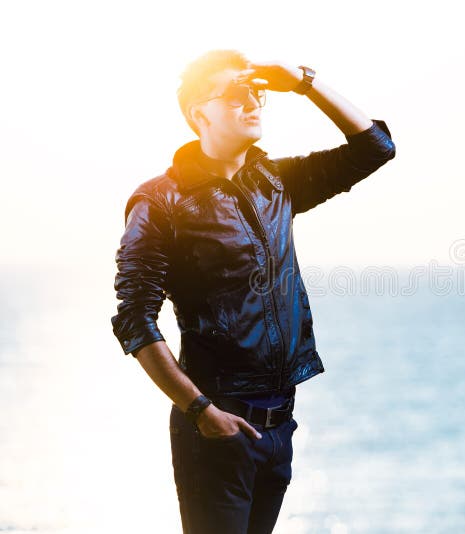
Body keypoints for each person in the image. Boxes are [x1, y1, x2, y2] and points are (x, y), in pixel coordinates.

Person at [110, 49, 396, 533]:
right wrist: (201, 411)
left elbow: (376, 146)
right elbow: (135, 319)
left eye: (258, 92)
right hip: (217, 426)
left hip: (279, 423)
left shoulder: (276, 183)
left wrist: (304, 83)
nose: (253, 102)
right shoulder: (161, 201)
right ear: (200, 113)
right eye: (236, 94)